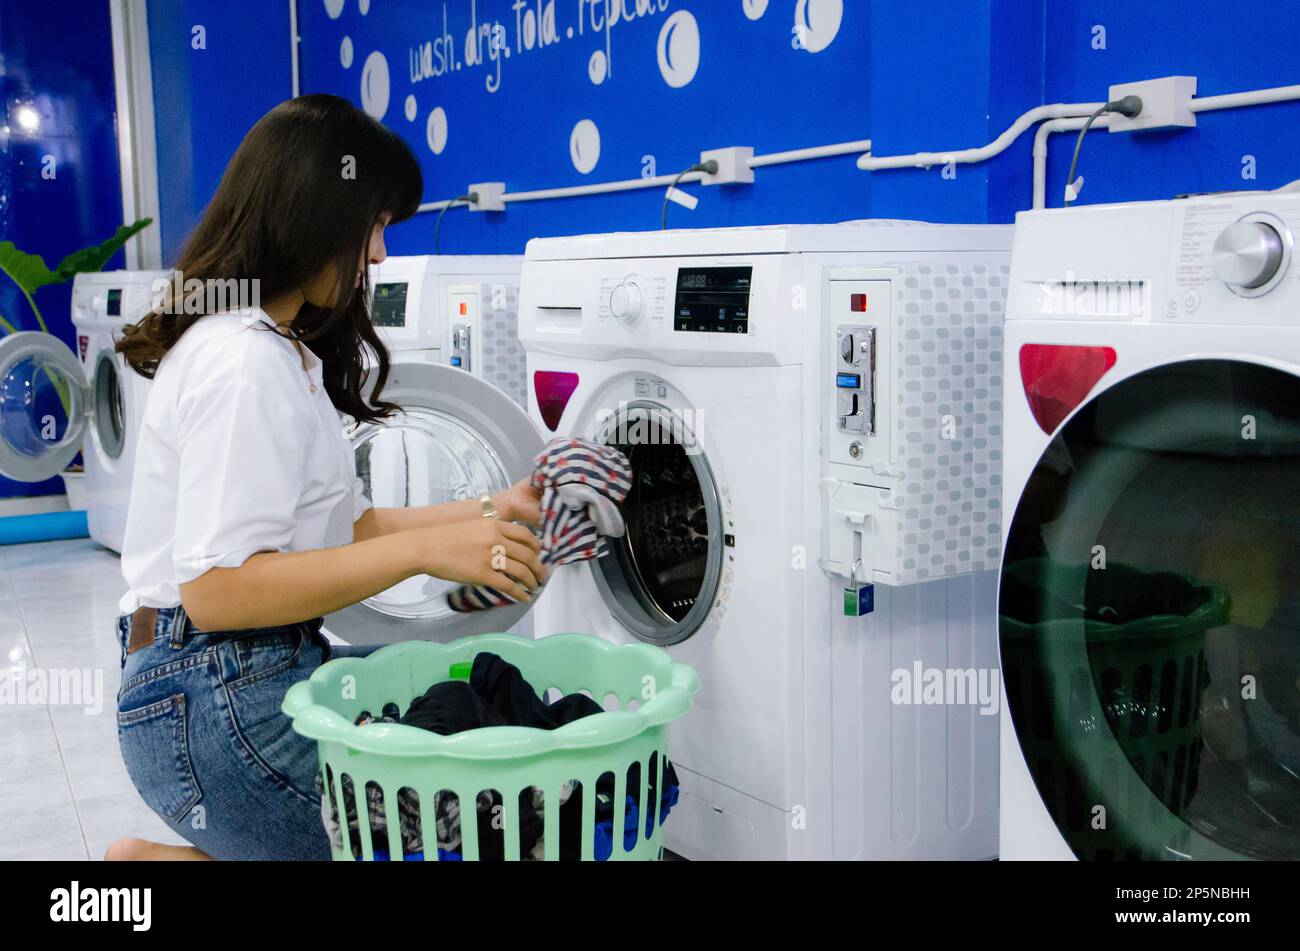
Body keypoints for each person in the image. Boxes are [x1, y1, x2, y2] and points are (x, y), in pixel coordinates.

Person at [105, 95, 545, 860]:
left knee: (480, 717)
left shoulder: (279, 352)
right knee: (473, 824)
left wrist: (485, 510)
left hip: (234, 681)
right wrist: (424, 555)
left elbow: (349, 530)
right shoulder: (241, 361)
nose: (378, 255)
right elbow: (216, 591)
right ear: (313, 212)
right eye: (372, 225)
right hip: (209, 705)